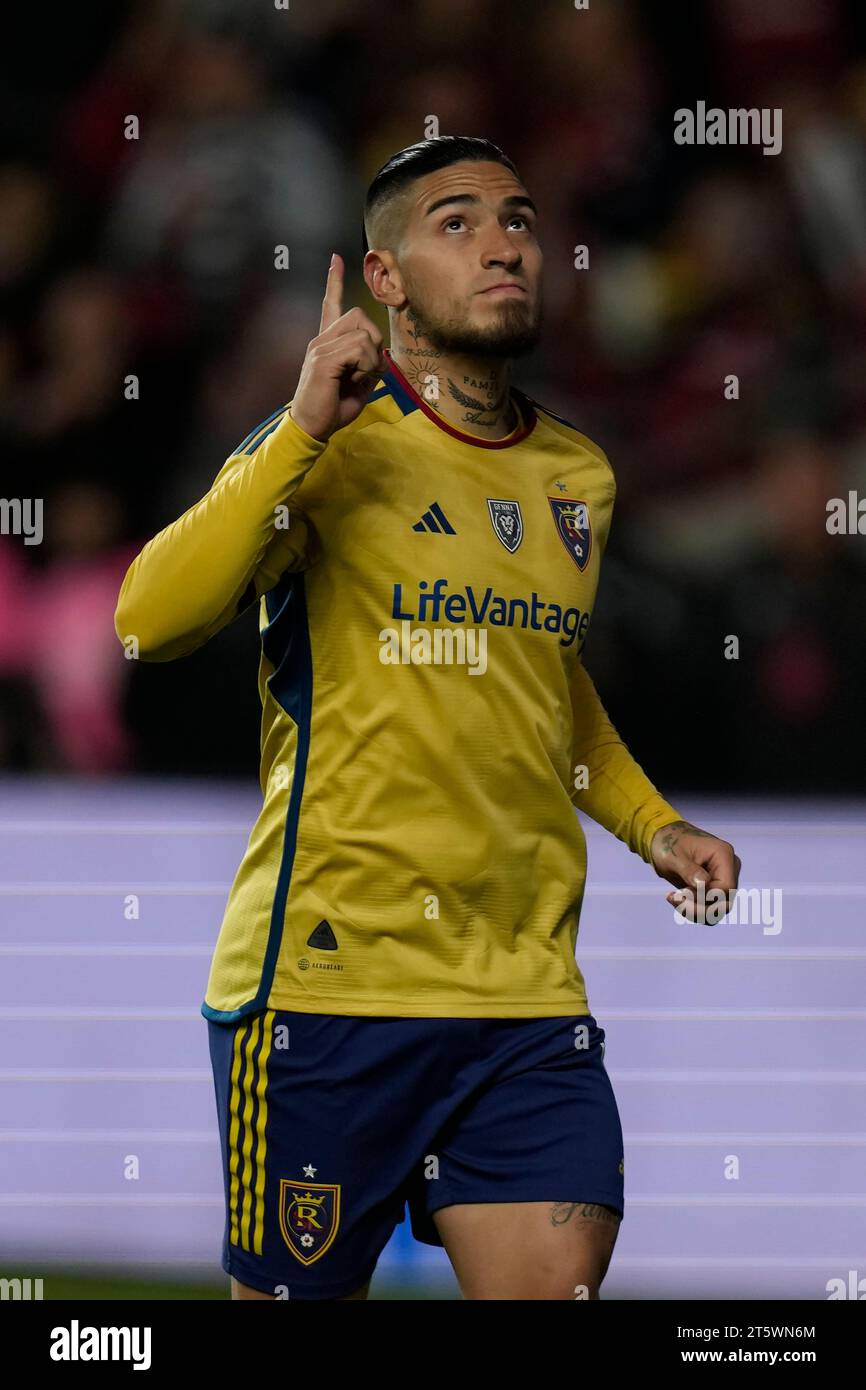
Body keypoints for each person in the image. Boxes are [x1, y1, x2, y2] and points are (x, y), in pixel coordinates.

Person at [114, 136, 740, 1301]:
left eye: (518, 221)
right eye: (455, 223)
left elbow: (546, 687)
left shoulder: (576, 477)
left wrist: (653, 825)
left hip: (521, 1001)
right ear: (384, 278)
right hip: (324, 991)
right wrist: (299, 430)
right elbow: (145, 620)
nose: (502, 244)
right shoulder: (326, 444)